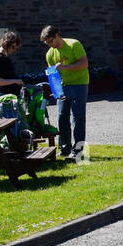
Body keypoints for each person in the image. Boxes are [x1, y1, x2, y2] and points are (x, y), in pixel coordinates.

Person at [41, 25, 88, 160]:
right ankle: (64, 149)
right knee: (62, 117)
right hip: (62, 87)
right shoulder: (50, 53)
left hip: (79, 83)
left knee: (78, 118)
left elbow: (84, 64)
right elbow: (54, 75)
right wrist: (55, 90)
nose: (49, 45)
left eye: (50, 41)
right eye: (47, 43)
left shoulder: (74, 44)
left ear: (57, 35)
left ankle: (77, 152)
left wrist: (65, 67)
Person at [0, 31, 25, 105]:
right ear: (9, 44)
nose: (14, 50)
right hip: (4, 97)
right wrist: (15, 81)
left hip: (9, 96)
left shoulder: (4, 56)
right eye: (14, 47)